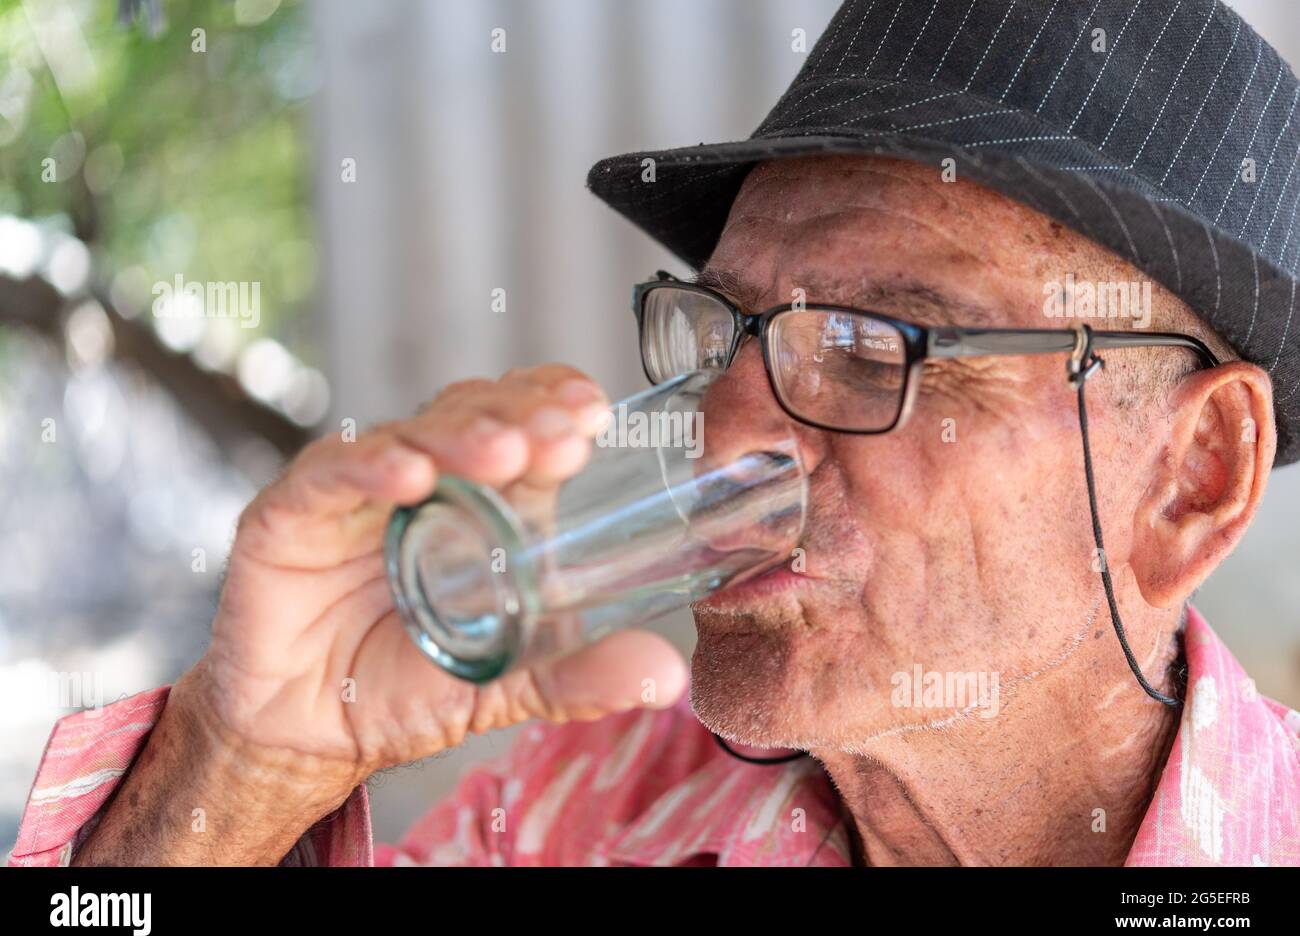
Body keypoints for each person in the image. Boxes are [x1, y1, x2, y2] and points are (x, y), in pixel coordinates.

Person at [11, 0, 1299, 867]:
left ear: (1191, 479)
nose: (729, 425)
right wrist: (236, 766)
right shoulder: (598, 812)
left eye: (876, 344)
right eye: (726, 329)